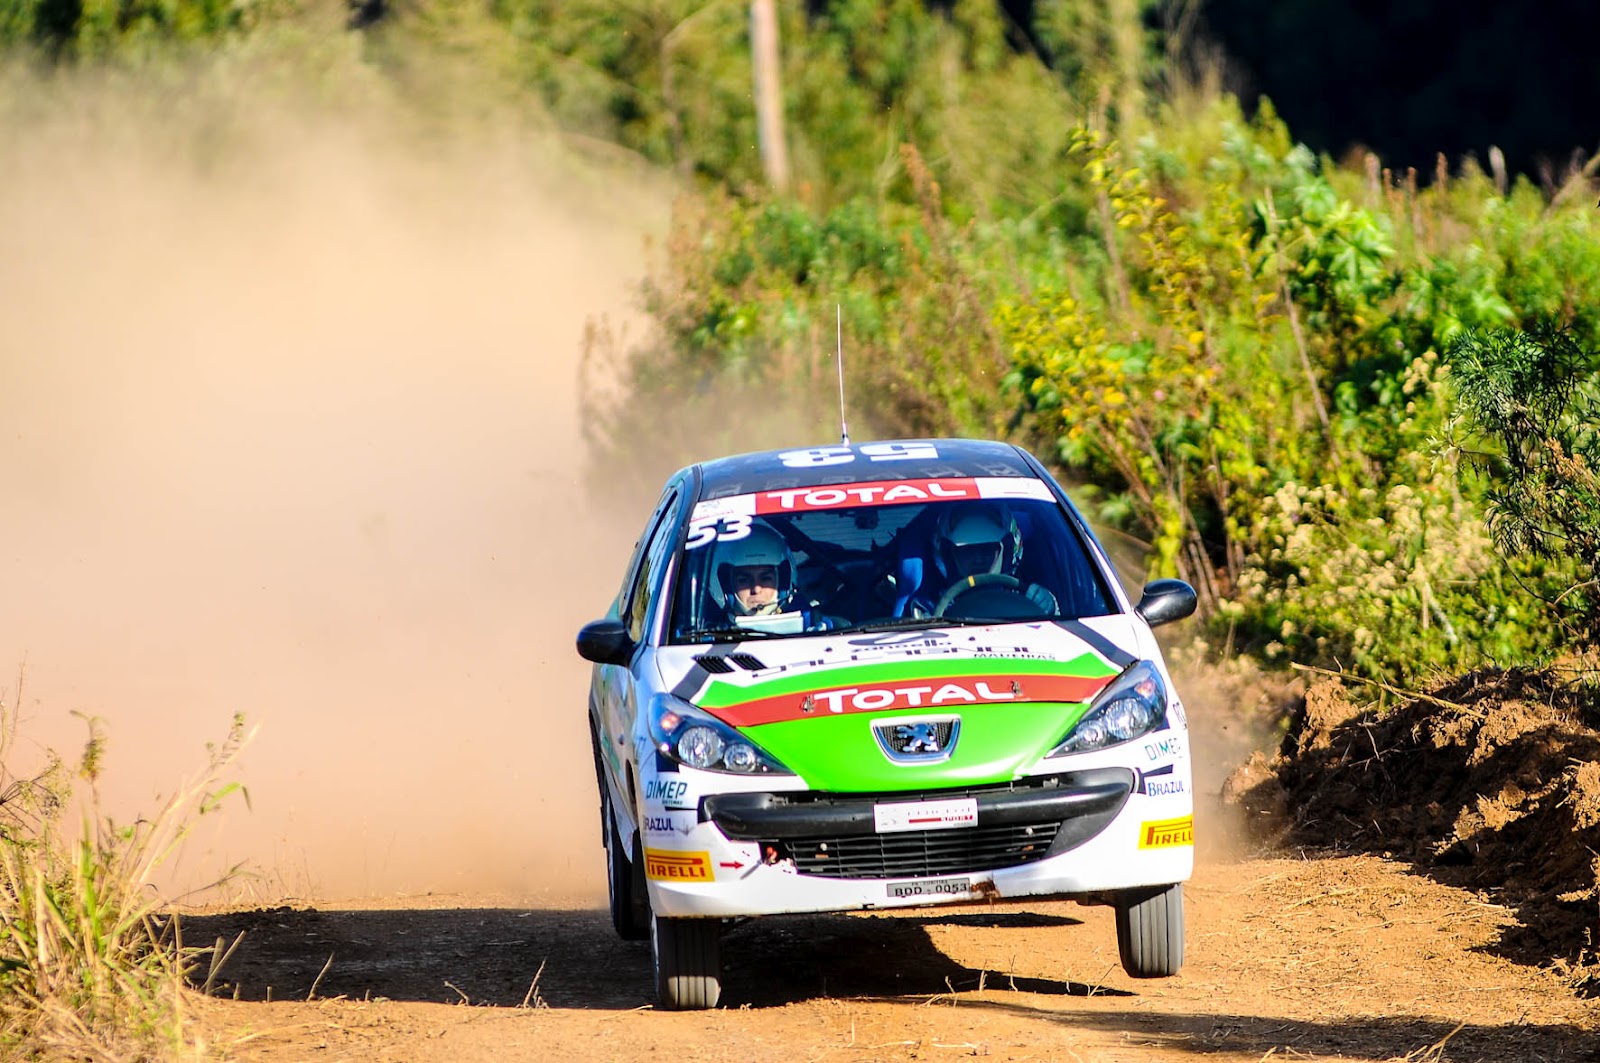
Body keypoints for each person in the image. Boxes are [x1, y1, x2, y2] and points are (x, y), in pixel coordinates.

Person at [915, 502, 1058, 617]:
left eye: (988, 549)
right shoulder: (929, 608)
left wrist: (1050, 608)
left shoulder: (1029, 599)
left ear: (1007, 550)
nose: (978, 559)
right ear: (948, 554)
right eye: (967, 551)